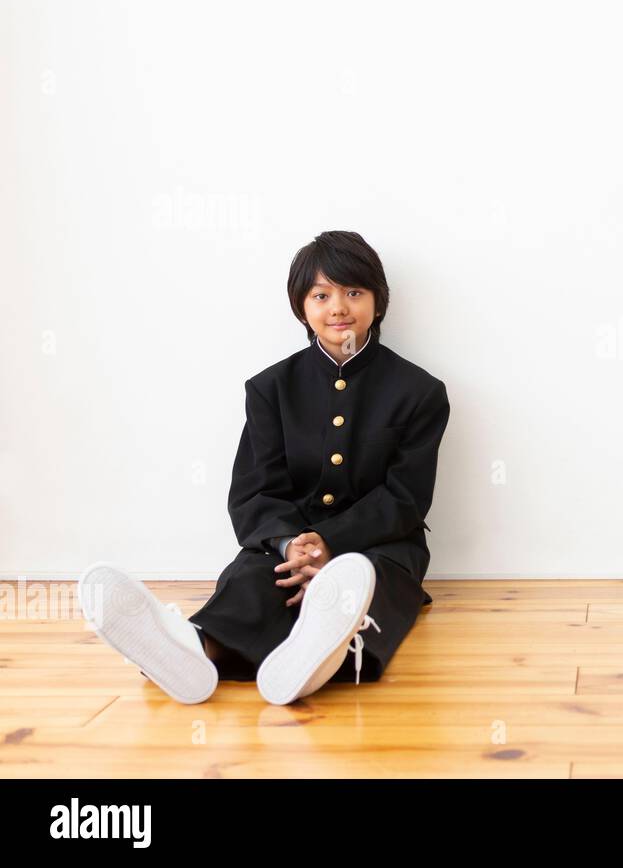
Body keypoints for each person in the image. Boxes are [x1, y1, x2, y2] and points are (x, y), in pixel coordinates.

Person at [78, 230, 451, 704]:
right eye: (322, 295)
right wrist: (291, 543)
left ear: (379, 302)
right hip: (287, 539)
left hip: (381, 543)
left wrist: (333, 545)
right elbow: (254, 492)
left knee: (368, 583)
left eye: (354, 292)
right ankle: (193, 651)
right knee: (253, 581)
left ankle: (325, 655)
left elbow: (406, 498)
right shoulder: (270, 389)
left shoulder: (419, 392)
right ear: (301, 307)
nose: (338, 307)